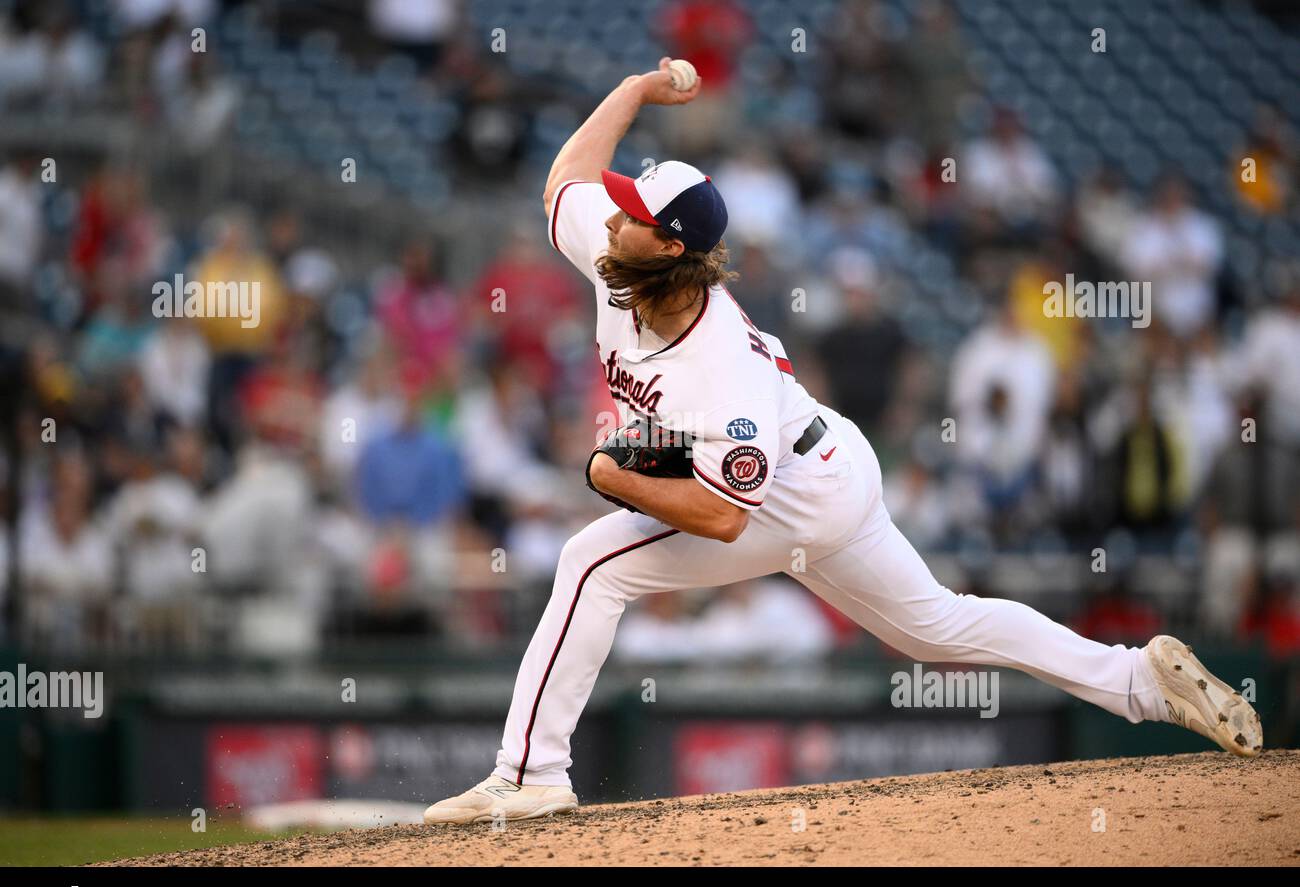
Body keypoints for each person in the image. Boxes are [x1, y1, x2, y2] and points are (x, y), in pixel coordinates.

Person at [422, 60, 1263, 825]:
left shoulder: (718, 360)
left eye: (634, 216)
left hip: (786, 490)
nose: (613, 221)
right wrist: (639, 89)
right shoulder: (625, 254)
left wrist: (616, 472)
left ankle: (531, 771)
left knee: (592, 563)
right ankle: (1135, 681)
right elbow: (563, 180)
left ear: (671, 247)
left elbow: (719, 518)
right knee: (939, 627)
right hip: (822, 457)